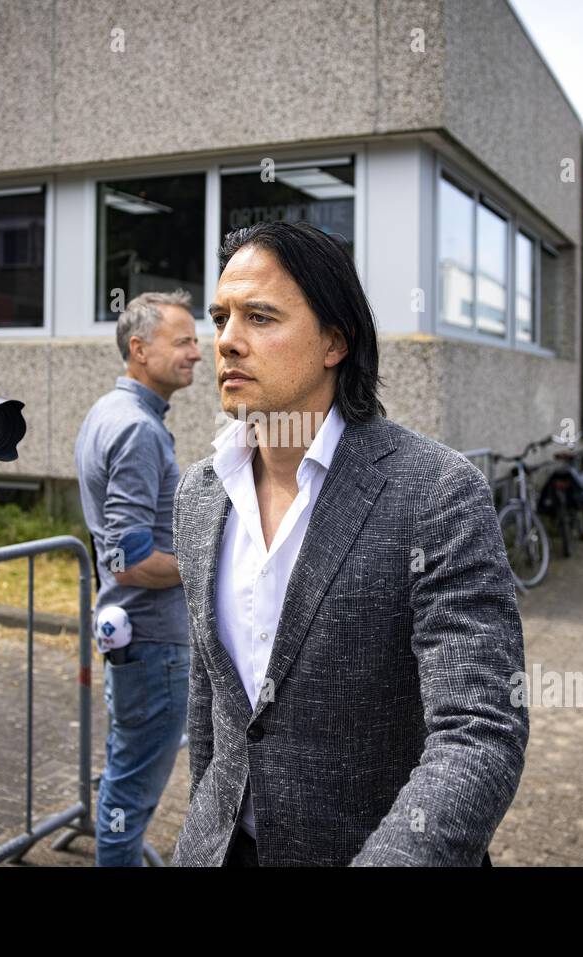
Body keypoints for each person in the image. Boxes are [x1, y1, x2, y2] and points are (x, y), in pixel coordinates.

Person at [171, 221, 527, 867]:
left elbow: (480, 730)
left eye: (260, 316)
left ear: (335, 340)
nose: (226, 341)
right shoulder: (198, 494)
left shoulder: (436, 492)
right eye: (220, 317)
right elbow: (213, 706)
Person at [74, 290, 201, 866]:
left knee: (126, 771)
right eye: (184, 341)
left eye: (197, 340)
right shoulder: (137, 429)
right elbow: (130, 559)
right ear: (138, 348)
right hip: (152, 640)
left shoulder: (110, 411)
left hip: (132, 635)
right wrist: (206, 564)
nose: (199, 353)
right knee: (133, 785)